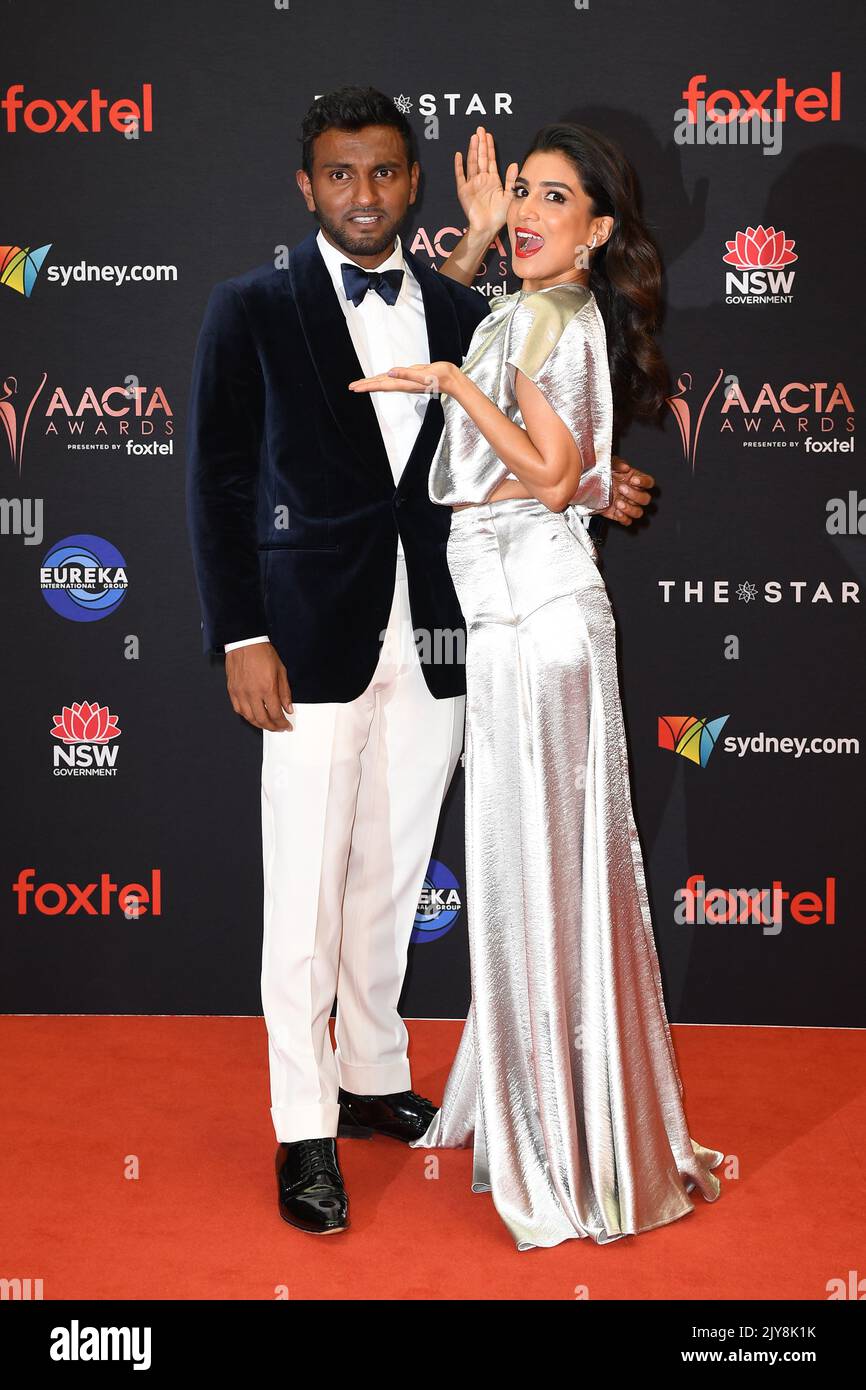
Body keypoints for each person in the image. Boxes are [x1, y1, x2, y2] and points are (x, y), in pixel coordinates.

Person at [185, 88, 654, 1238]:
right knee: (301, 888)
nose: (363, 195)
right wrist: (240, 634)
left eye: (385, 173)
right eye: (339, 175)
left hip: (444, 634)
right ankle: (304, 1128)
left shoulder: (463, 310)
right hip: (305, 642)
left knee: (392, 876)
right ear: (307, 188)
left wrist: (597, 482)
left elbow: (524, 441)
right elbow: (218, 482)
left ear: (411, 179)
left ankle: (369, 1073)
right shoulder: (248, 307)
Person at [348, 121, 724, 1250]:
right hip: (512, 616)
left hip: (542, 621)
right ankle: (552, 1111)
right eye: (522, 189)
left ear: (597, 230)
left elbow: (554, 475)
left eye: (553, 198)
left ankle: (576, 1143)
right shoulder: (525, 306)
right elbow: (571, 459)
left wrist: (459, 385)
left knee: (548, 872)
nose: (527, 209)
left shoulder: (554, 312)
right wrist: (468, 252)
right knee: (531, 873)